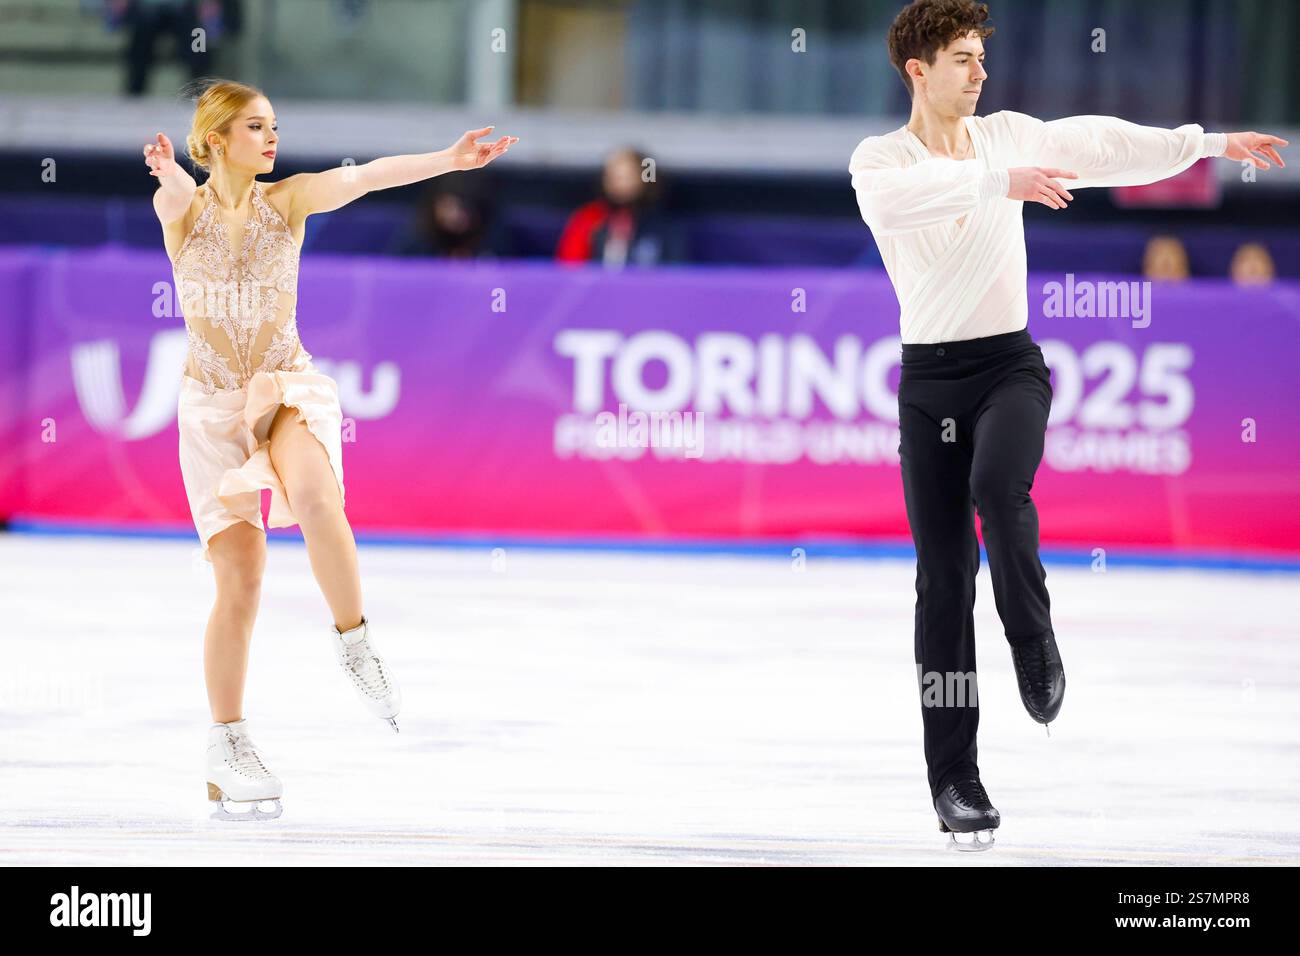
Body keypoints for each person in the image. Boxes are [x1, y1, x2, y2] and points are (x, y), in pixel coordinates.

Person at [849, 0, 1287, 849]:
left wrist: (1203, 143)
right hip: (929, 385)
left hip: (1009, 367)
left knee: (996, 491)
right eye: (964, 59)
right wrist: (993, 181)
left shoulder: (1009, 135)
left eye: (982, 58)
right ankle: (956, 780)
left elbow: (1101, 143)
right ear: (918, 70)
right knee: (943, 581)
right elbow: (900, 203)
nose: (980, 73)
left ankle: (1032, 637)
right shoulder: (881, 159)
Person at [144, 78, 516, 820]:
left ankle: (354, 640)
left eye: (273, 125)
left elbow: (369, 174)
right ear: (219, 140)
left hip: (283, 386)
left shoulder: (290, 202)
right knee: (241, 580)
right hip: (213, 412)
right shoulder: (181, 210)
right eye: (254, 127)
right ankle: (227, 743)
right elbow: (178, 196)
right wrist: (178, 179)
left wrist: (450, 158)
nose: (271, 137)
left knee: (317, 496)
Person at [556, 147, 683, 267]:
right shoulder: (591, 220)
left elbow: (676, 274)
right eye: (613, 177)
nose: (618, 183)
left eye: (627, 177)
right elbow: (570, 268)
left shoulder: (665, 228)